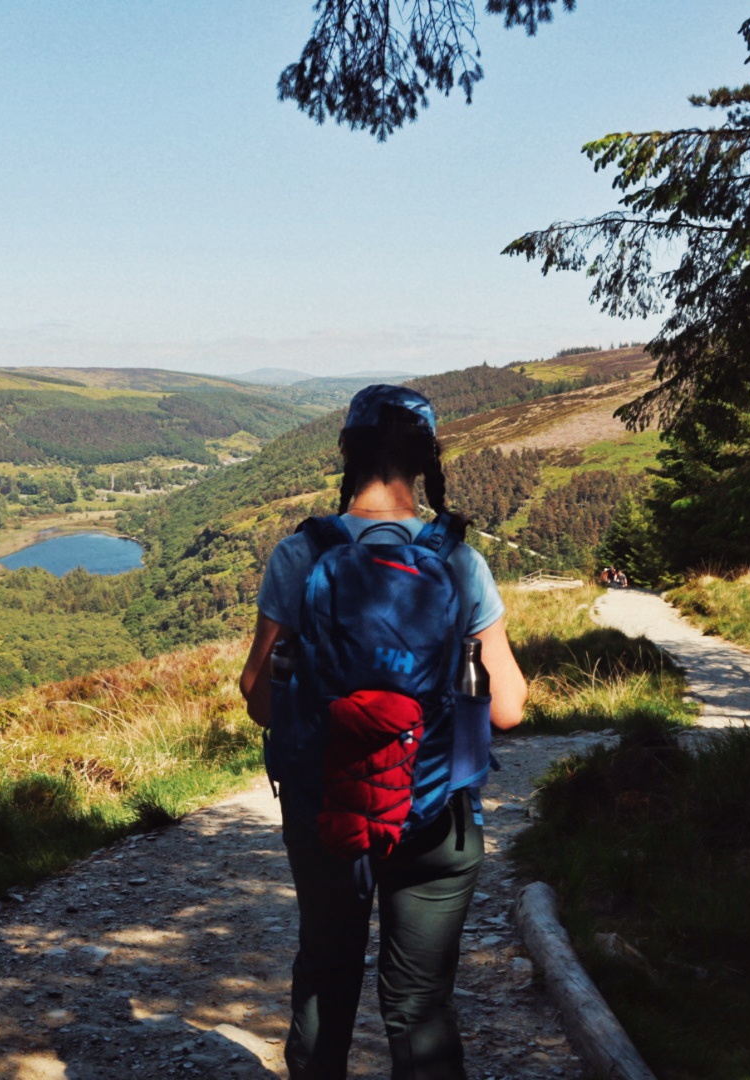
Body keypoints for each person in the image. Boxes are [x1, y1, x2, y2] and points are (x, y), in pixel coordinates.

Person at [240, 385, 528, 1080]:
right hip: (436, 812)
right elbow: (510, 706)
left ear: (348, 454)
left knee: (326, 974)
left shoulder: (302, 554)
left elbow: (257, 697)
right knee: (420, 1002)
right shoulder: (456, 558)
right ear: (426, 461)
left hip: (326, 806)